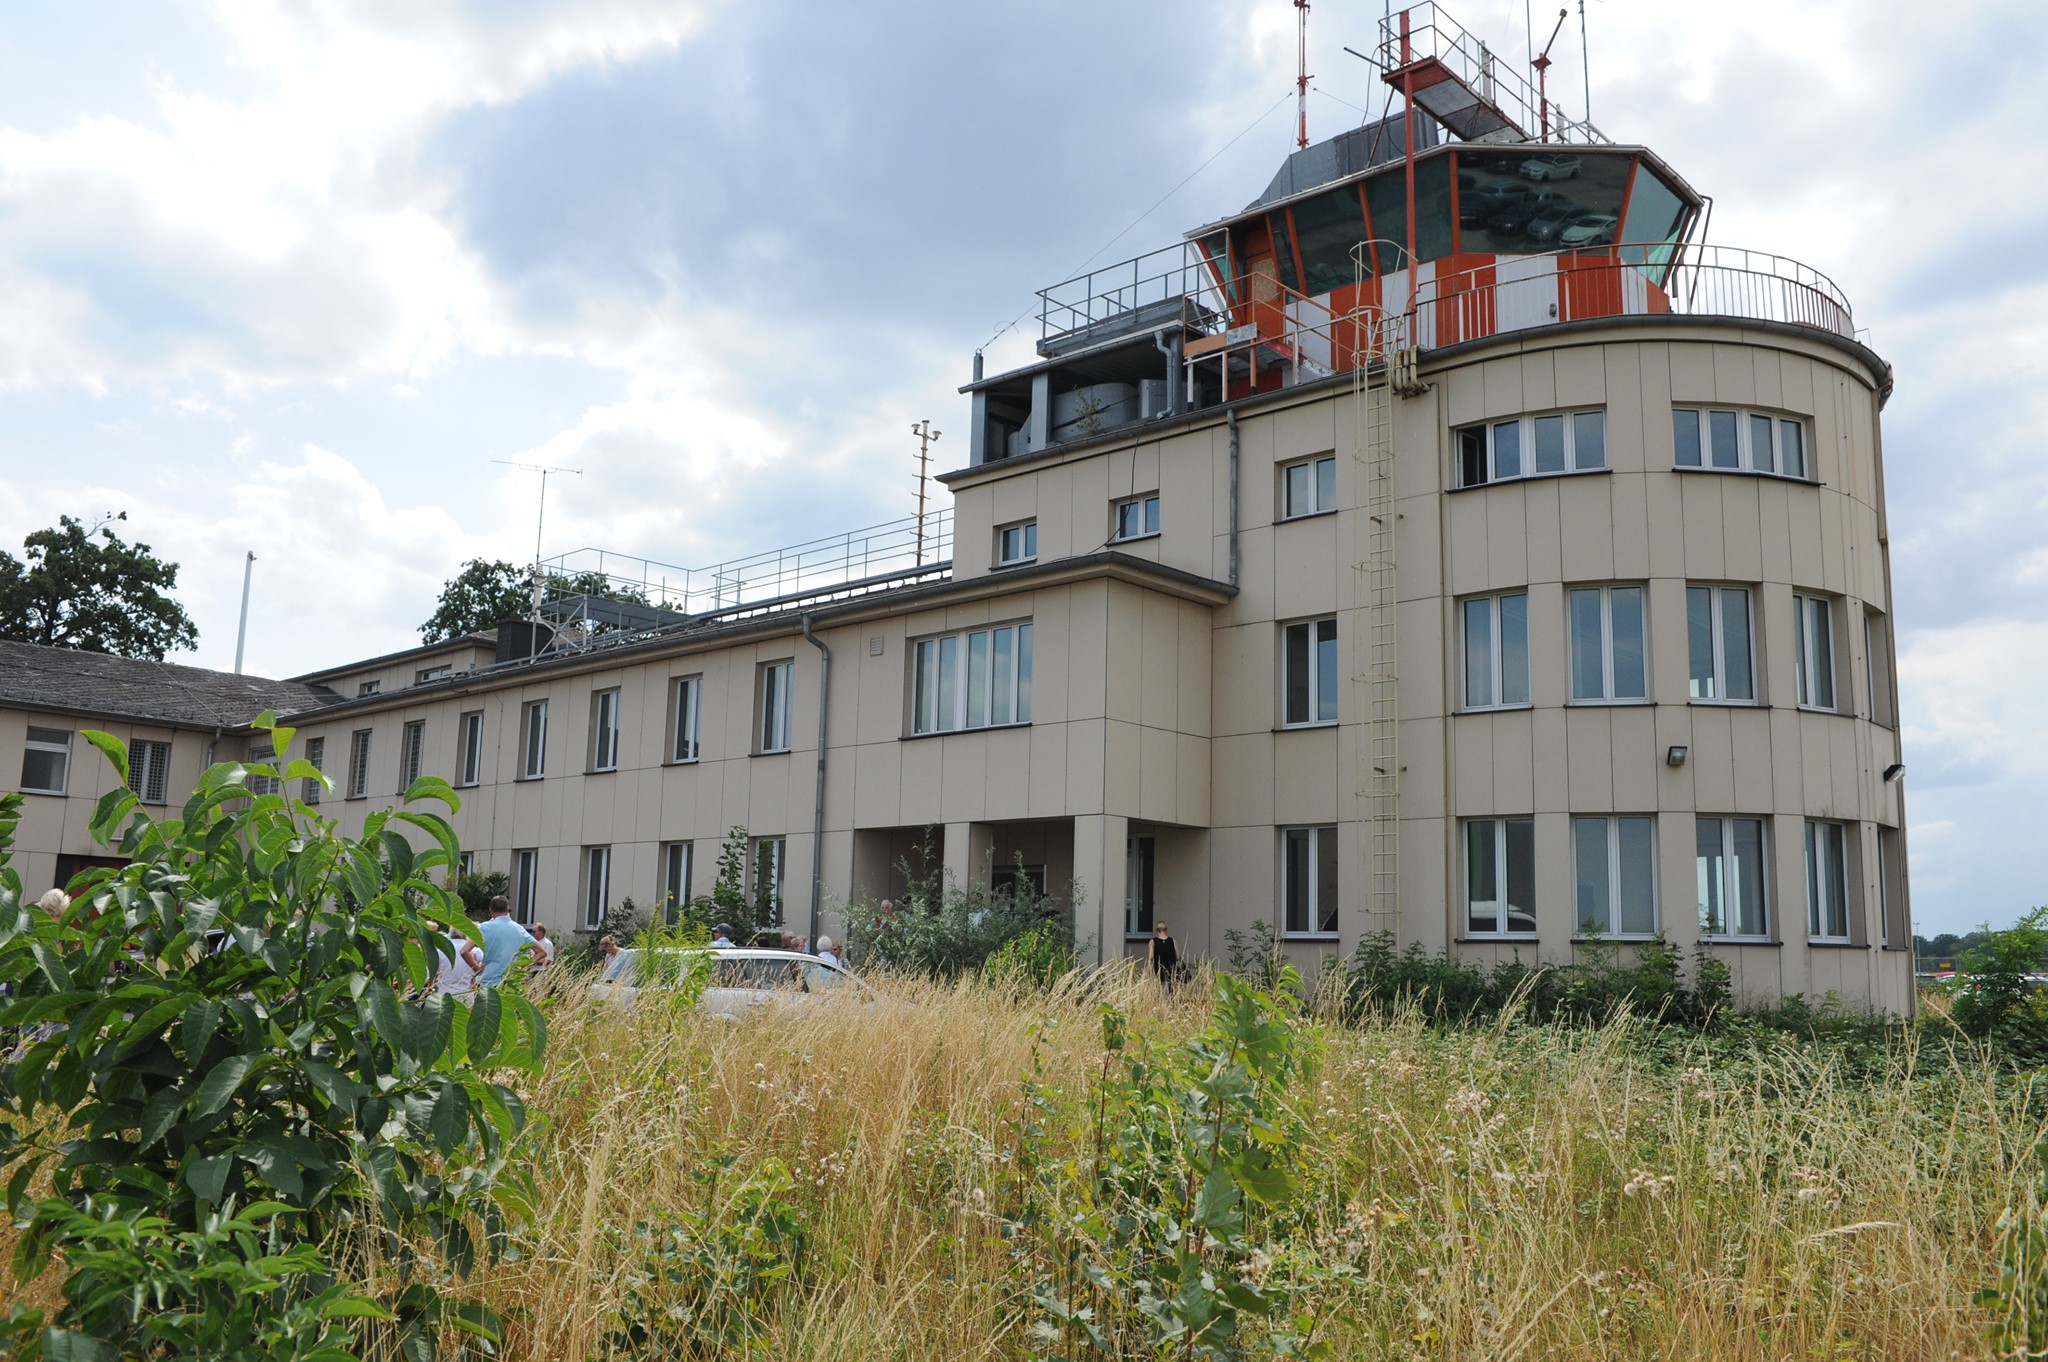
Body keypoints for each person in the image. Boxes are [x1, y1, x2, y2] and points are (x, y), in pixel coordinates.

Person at [476, 895, 536, 986]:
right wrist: (522, 967)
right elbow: (542, 952)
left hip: (487, 980)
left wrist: (478, 967)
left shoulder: (484, 927)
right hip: (511, 981)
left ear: (490, 910)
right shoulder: (519, 929)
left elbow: (464, 951)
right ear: (507, 910)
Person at [432, 922, 484, 996]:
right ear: (465, 934)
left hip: (443, 993)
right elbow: (483, 971)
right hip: (466, 993)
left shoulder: (439, 951)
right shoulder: (476, 952)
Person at [1148, 921, 1180, 993]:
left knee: (1161, 992)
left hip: (1158, 970)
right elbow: (1178, 957)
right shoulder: (1173, 941)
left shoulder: (1153, 941)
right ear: (1166, 929)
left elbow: (1151, 957)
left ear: (1157, 930)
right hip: (1172, 970)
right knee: (1171, 991)